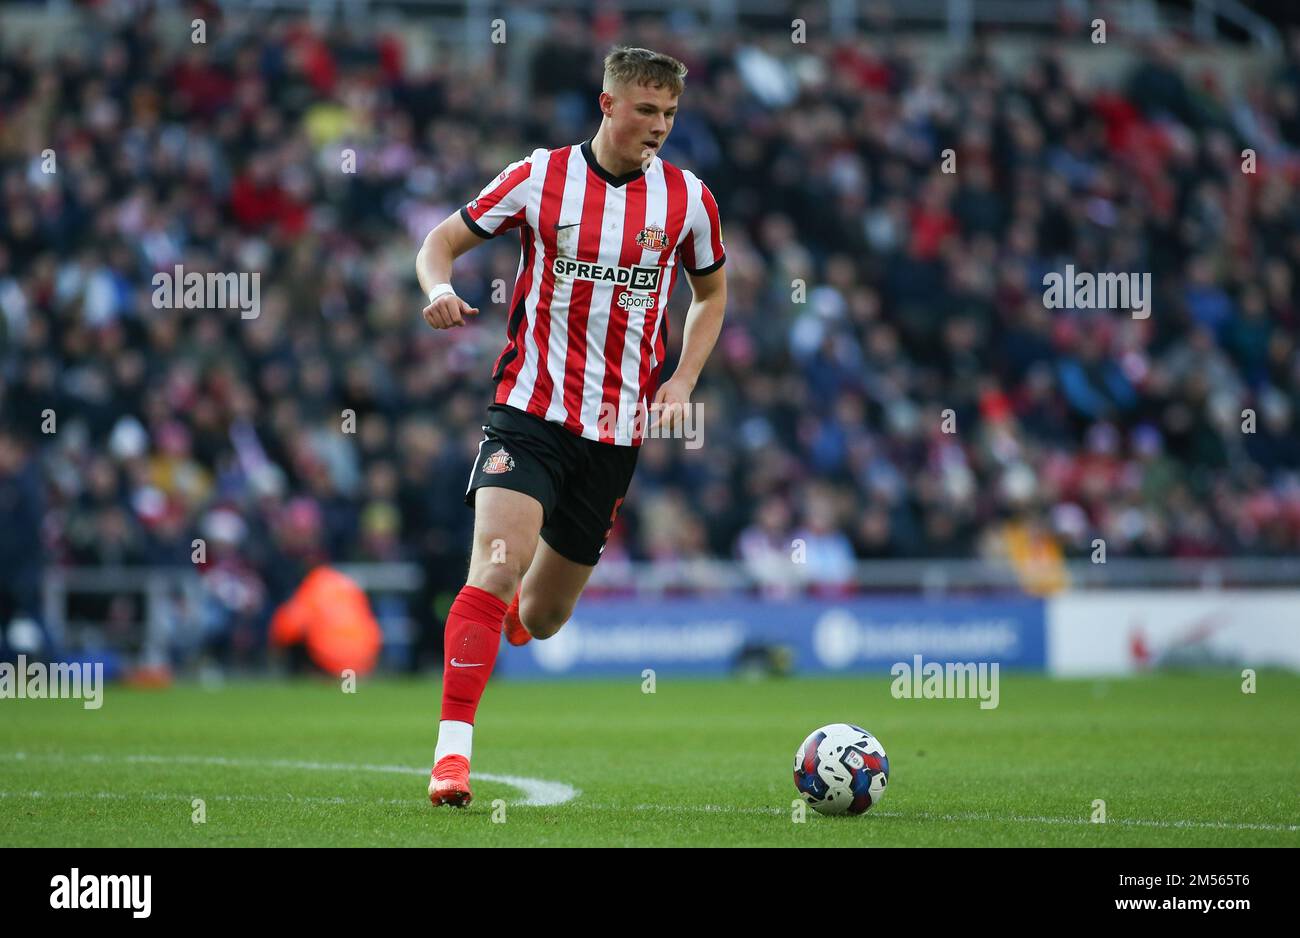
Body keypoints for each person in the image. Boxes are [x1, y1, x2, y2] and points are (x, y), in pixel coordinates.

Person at [414, 45, 728, 806]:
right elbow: (440, 242)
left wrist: (683, 379)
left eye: (670, 114)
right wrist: (436, 289)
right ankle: (451, 758)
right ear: (607, 104)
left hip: (615, 431)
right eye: (646, 110)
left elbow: (712, 294)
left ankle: (517, 614)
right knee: (494, 565)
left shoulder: (687, 199)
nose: (659, 126)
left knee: (544, 616)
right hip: (529, 411)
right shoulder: (539, 176)